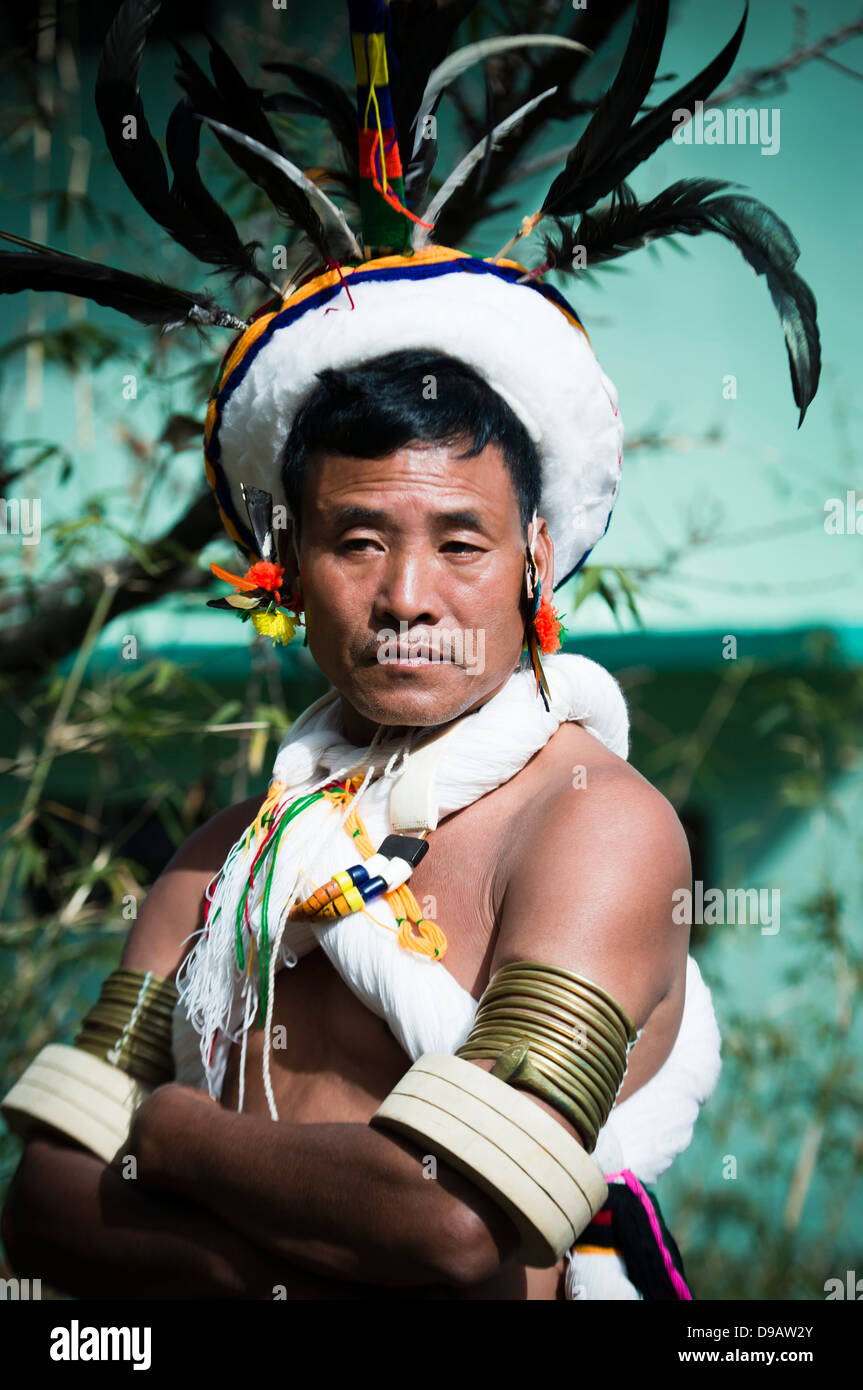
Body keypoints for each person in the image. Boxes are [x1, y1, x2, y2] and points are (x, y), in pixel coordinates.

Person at [0, 0, 819, 1301]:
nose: (406, 594)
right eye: (358, 540)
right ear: (284, 571)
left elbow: (457, 1224)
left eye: (462, 543)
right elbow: (42, 1203)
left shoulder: (594, 828)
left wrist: (170, 1132)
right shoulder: (224, 858)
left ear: (535, 564)